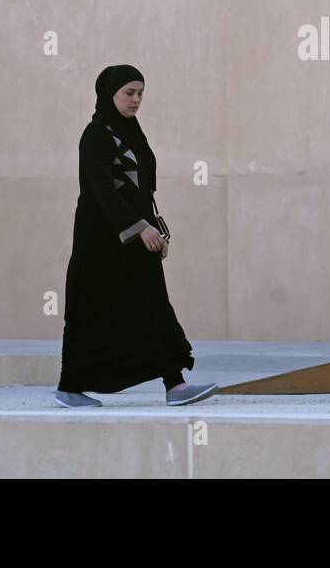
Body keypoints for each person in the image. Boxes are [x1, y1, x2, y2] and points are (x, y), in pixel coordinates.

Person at [54, 64, 218, 408]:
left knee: (152, 303)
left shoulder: (132, 132)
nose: (136, 100)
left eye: (140, 93)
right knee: (90, 310)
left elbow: (142, 189)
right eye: (129, 93)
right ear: (109, 94)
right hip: (100, 241)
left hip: (136, 237)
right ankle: (69, 387)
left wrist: (153, 226)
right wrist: (139, 227)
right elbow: (102, 191)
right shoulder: (96, 134)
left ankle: (175, 385)